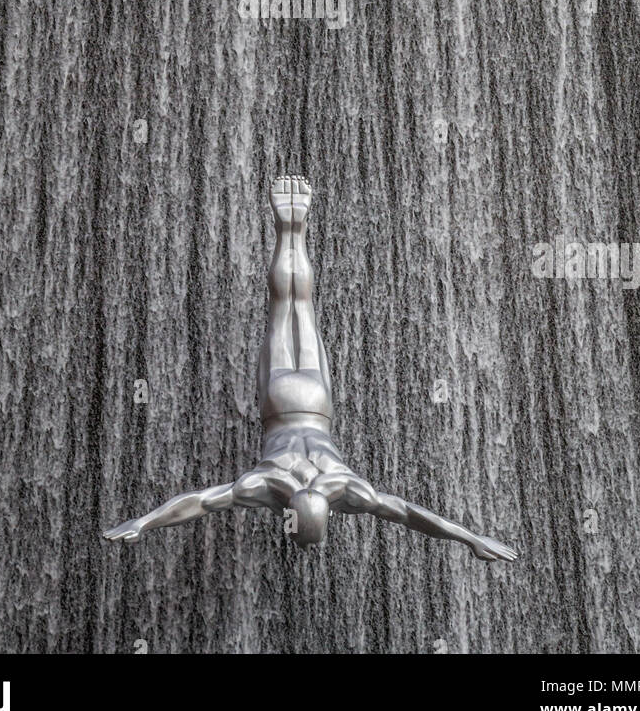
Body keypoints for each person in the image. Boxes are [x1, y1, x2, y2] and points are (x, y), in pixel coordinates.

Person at [104, 176, 516, 559]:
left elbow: (411, 513)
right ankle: (289, 231)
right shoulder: (269, 484)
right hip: (280, 403)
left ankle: (293, 230)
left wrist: (471, 537)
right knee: (285, 308)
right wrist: (145, 522)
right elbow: (199, 503)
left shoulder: (349, 489)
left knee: (302, 307)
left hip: (316, 404)